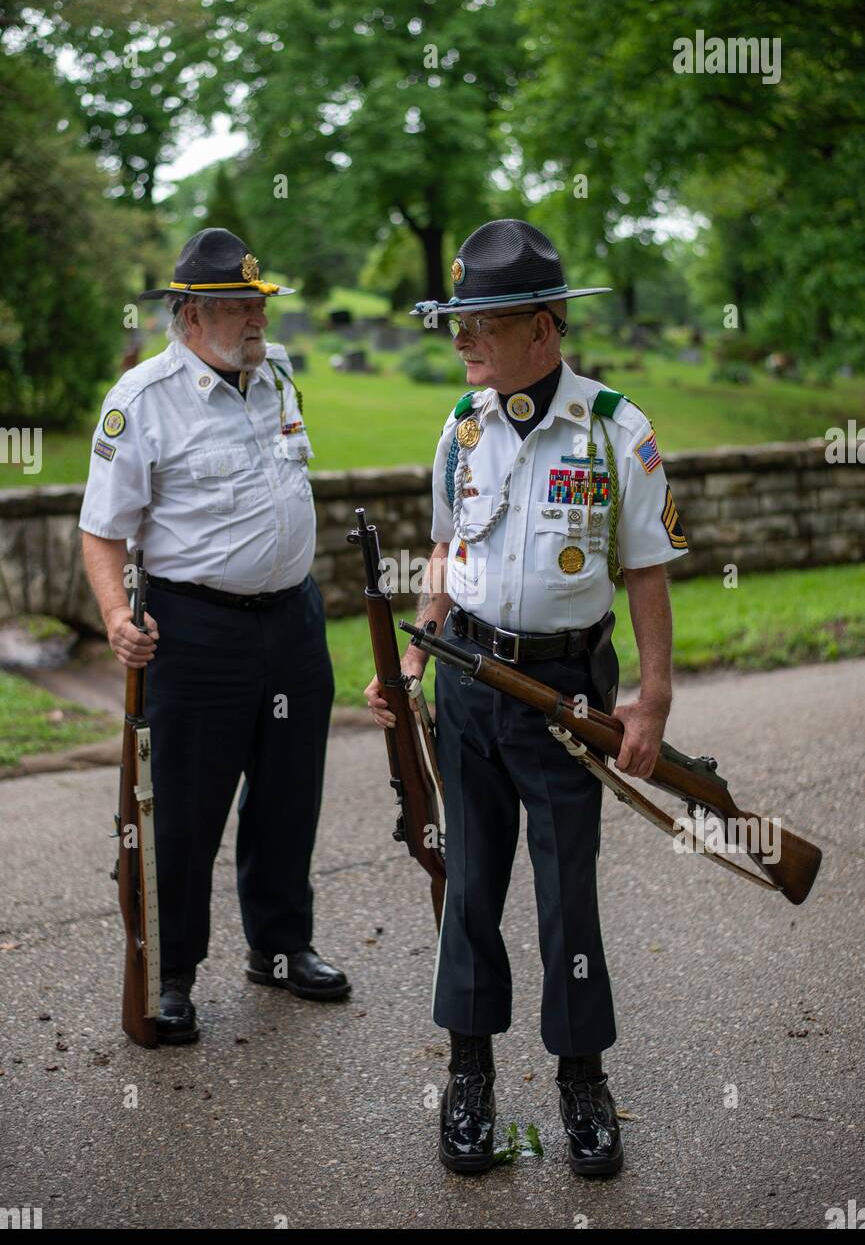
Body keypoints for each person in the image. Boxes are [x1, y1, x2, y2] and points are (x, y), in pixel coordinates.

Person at [366, 219, 688, 1176]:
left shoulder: (613, 429)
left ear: (545, 329)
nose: (460, 340)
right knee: (468, 890)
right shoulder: (460, 427)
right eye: (456, 322)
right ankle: (469, 1075)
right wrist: (414, 667)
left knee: (564, 896)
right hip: (463, 677)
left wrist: (655, 699)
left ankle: (581, 1080)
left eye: (482, 322)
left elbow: (645, 573)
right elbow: (443, 549)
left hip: (561, 688)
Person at [80, 227, 348, 1045]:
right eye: (236, 305)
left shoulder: (279, 376)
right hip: (193, 631)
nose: (254, 319)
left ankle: (279, 945)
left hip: (293, 620)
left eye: (258, 303)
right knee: (185, 812)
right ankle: (171, 972)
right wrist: (117, 620)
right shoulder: (142, 399)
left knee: (288, 791)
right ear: (191, 315)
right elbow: (101, 531)